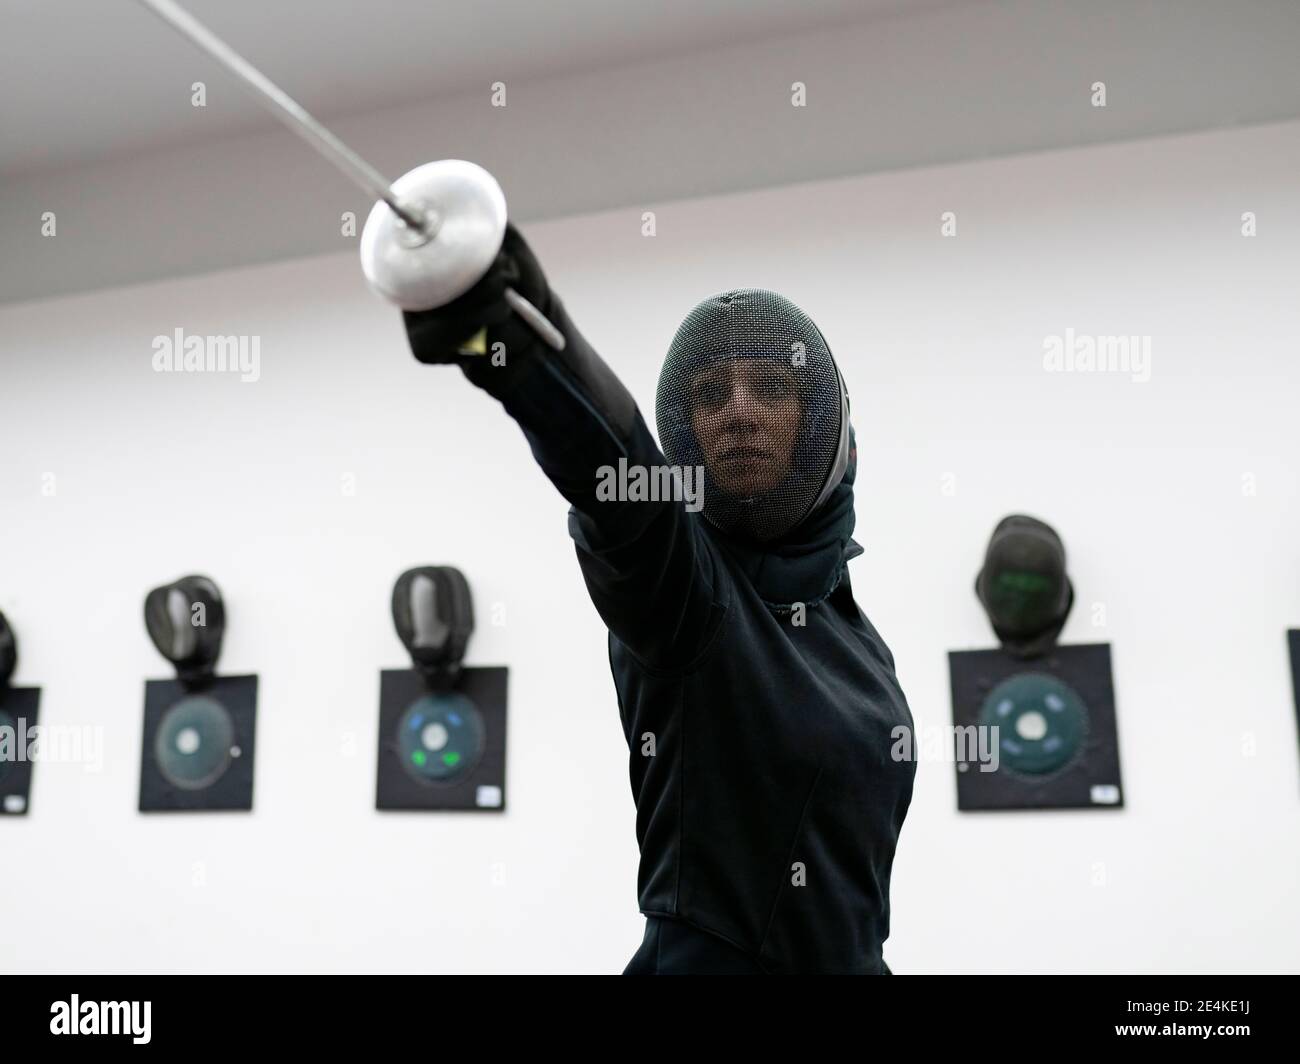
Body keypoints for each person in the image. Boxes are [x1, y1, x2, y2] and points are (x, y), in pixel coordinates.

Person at [404, 224, 916, 974]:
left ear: (830, 429)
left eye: (769, 387)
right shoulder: (686, 598)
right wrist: (509, 335)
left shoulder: (856, 636)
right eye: (711, 395)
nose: (738, 411)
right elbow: (616, 475)